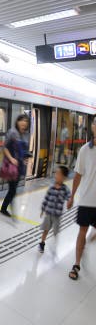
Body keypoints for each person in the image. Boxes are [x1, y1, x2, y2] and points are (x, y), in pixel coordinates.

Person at [67, 117, 96, 281]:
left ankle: (90, 241)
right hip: (86, 200)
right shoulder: (85, 150)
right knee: (82, 231)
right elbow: (78, 175)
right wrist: (71, 196)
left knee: (90, 234)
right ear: (92, 127)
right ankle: (77, 263)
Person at [0, 113, 30, 217]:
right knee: (12, 189)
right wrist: (12, 159)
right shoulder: (12, 132)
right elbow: (5, 147)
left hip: (20, 166)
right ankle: (4, 209)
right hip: (11, 166)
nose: (23, 123)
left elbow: (24, 149)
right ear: (17, 121)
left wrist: (26, 157)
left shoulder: (25, 134)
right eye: (21, 120)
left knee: (13, 189)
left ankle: (4, 208)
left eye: (25, 121)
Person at [38, 165, 70, 253]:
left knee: (56, 231)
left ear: (64, 177)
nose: (56, 175)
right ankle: (42, 243)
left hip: (57, 215)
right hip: (48, 213)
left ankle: (54, 244)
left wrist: (70, 201)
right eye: (56, 173)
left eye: (58, 174)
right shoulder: (51, 187)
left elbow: (69, 198)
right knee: (46, 229)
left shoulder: (65, 189)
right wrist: (42, 209)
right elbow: (46, 199)